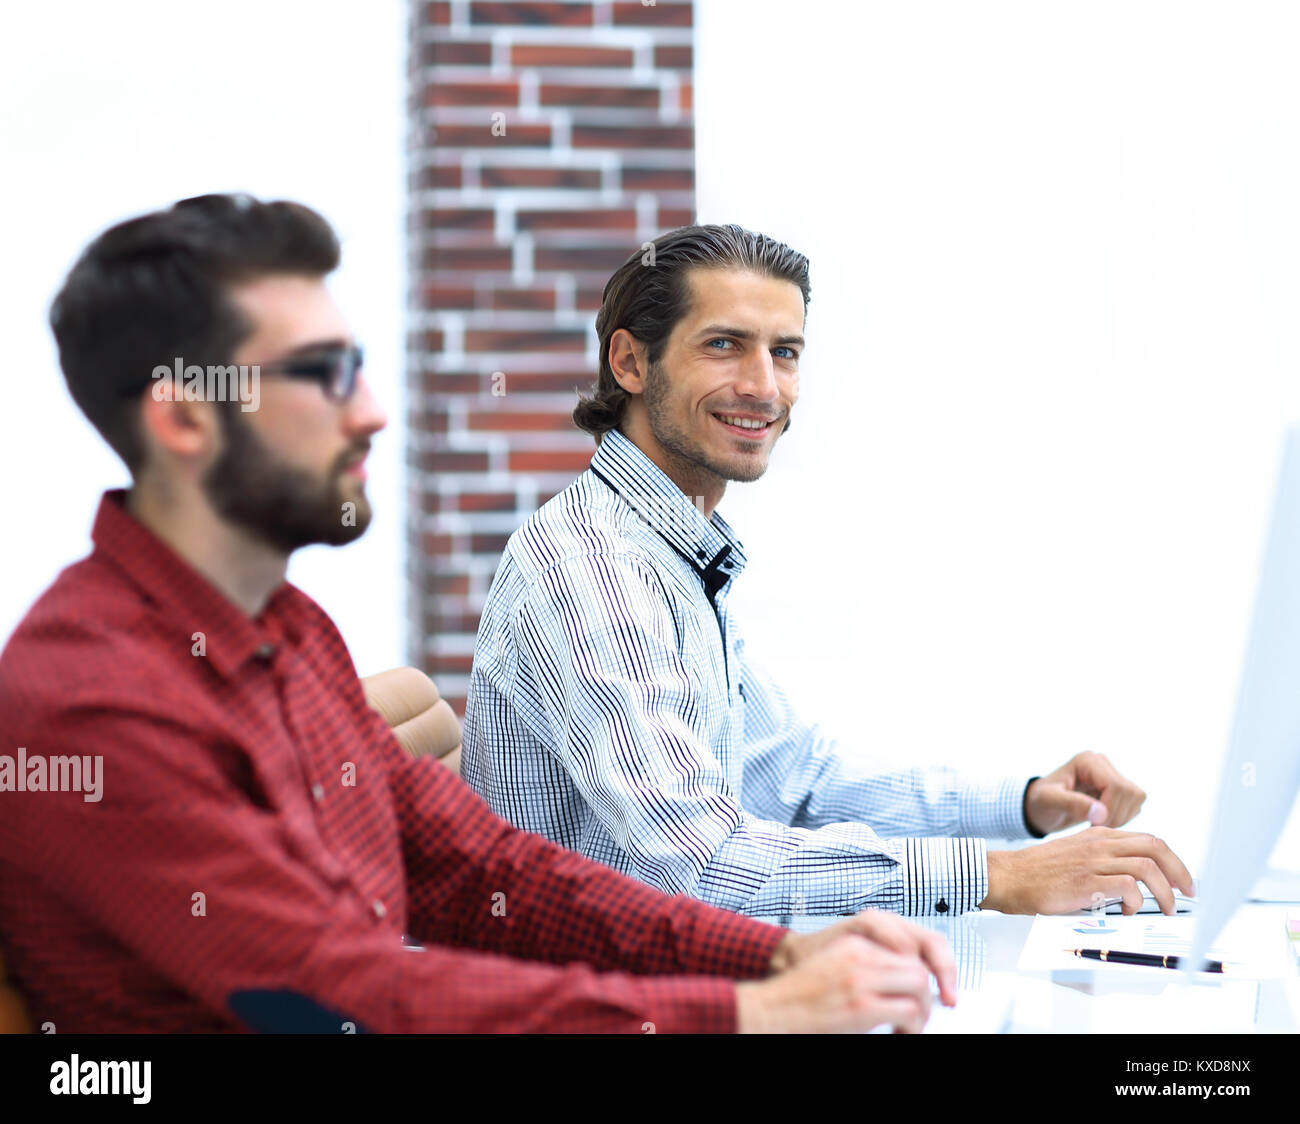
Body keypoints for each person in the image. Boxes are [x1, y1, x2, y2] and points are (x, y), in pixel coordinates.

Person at [0, 195, 957, 1034]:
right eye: (323, 373)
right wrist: (750, 1012)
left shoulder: (286, 631)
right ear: (185, 416)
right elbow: (334, 994)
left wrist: (766, 959)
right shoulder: (94, 699)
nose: (373, 411)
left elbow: (476, 868)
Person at [463, 224, 1195, 919]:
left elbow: (798, 782)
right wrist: (995, 878)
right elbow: (704, 863)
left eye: (785, 353)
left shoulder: (672, 556)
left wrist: (1027, 803)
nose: (764, 387)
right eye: (724, 345)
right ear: (629, 363)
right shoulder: (593, 569)